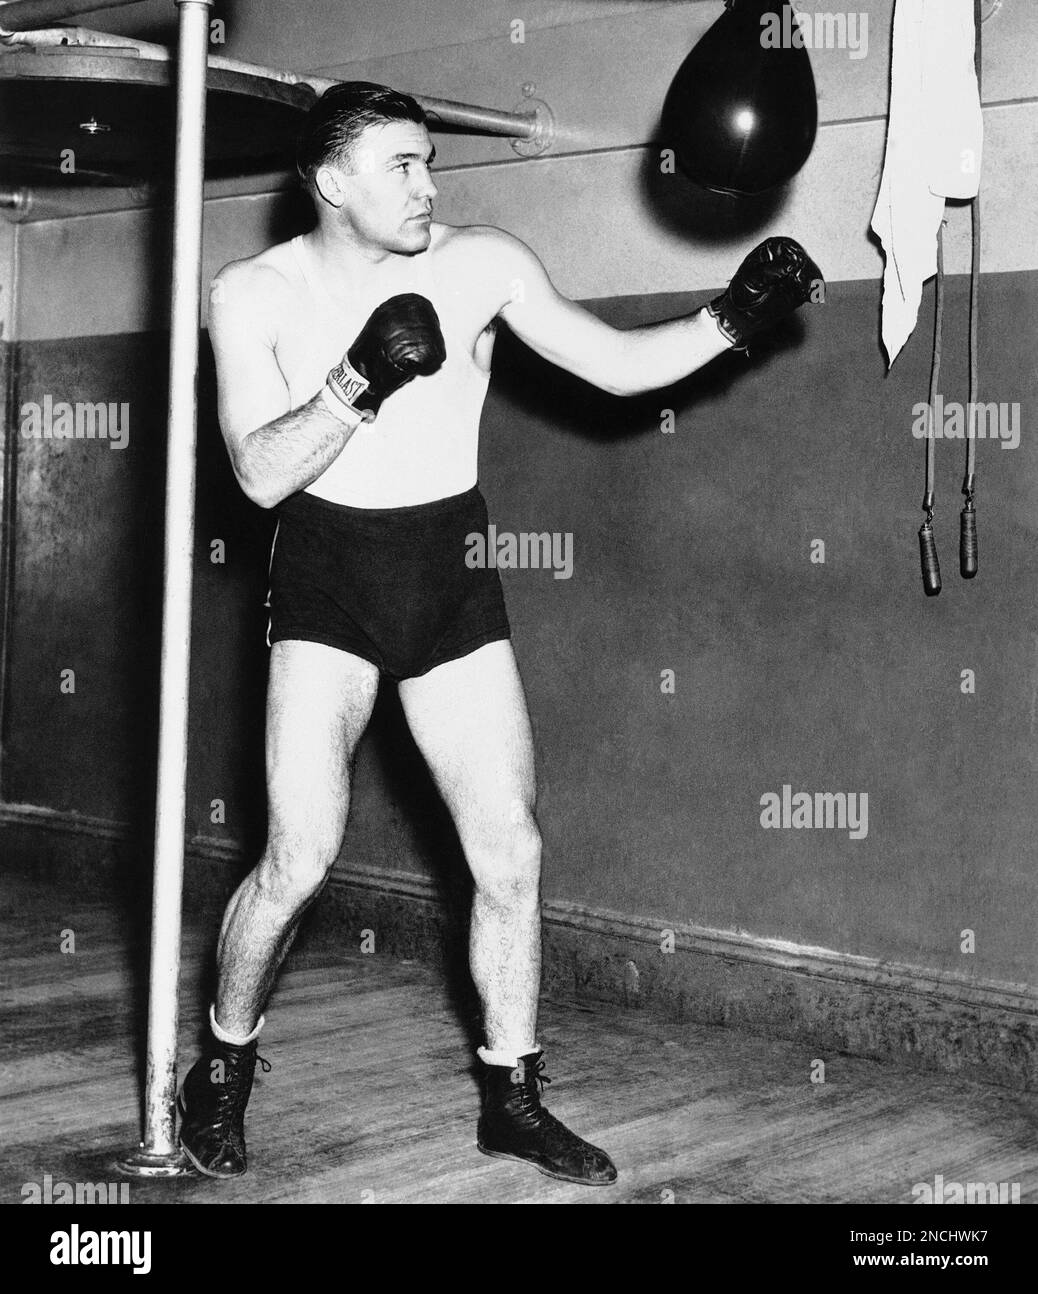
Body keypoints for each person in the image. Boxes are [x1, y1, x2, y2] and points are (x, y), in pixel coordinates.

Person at [179, 81, 823, 1188]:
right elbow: (257, 470)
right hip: (329, 576)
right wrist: (354, 382)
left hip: (450, 571)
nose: (430, 185)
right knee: (300, 853)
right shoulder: (252, 292)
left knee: (511, 849)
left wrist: (735, 318)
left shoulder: (485, 264)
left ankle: (513, 1095)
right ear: (331, 184)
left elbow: (613, 367)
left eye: (433, 161)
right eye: (401, 167)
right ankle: (223, 1069)